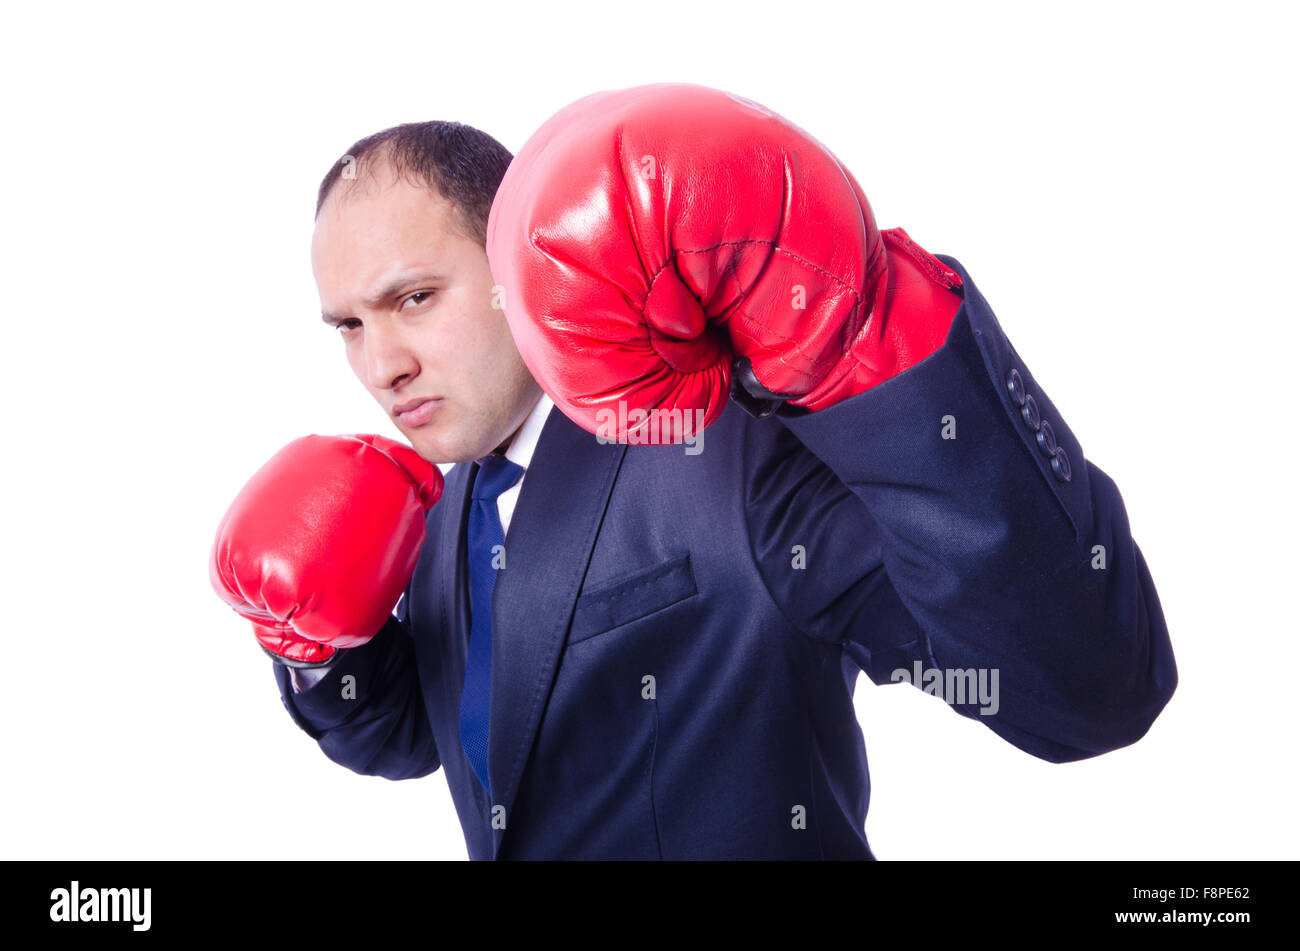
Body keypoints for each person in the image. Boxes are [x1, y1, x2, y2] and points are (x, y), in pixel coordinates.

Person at [210, 83, 1178, 860]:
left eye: (413, 299)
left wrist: (875, 348)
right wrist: (312, 647)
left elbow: (1080, 695)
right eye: (349, 325)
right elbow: (407, 742)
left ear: (519, 267)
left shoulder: (729, 454)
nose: (381, 365)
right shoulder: (435, 501)